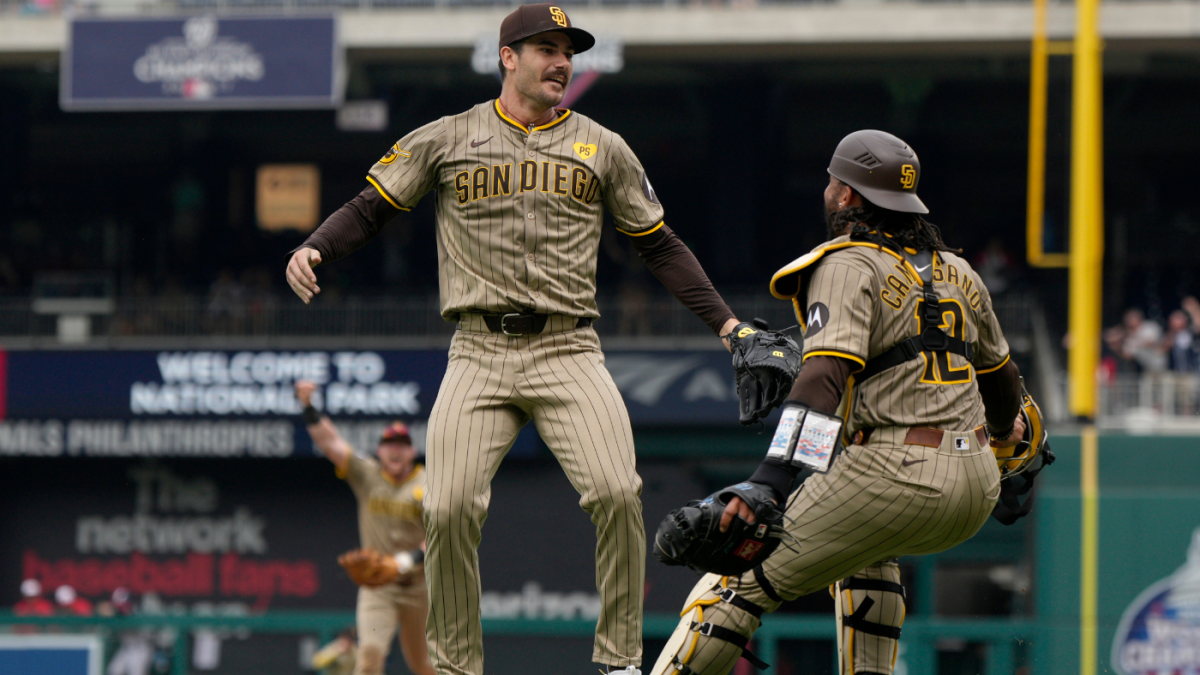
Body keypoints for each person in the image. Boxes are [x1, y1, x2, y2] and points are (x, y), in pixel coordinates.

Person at [284, 5, 743, 673]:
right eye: (546, 49)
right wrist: (317, 246)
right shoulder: (448, 136)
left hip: (569, 349)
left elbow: (659, 243)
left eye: (568, 51)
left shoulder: (603, 145)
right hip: (478, 350)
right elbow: (371, 206)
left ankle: (618, 659)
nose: (562, 61)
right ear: (508, 57)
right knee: (444, 507)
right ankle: (457, 665)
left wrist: (727, 323)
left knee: (618, 492)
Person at [649, 130, 1027, 675]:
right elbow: (1002, 378)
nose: (828, 191)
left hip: (897, 471)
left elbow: (825, 377)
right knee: (863, 558)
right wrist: (999, 449)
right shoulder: (959, 271)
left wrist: (769, 483)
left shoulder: (848, 263)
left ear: (848, 195)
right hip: (973, 486)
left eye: (833, 182)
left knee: (731, 585)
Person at [295, 380, 434, 675]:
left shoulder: (429, 485)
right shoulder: (367, 474)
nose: (395, 450)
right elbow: (330, 442)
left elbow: (439, 538)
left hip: (418, 588)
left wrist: (401, 561)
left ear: (412, 452)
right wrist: (308, 407)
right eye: (389, 445)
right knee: (369, 656)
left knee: (425, 667)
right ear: (379, 450)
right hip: (378, 586)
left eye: (402, 445)